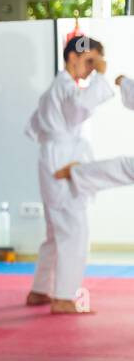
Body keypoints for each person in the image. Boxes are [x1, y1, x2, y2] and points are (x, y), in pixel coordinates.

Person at [25, 34, 115, 313]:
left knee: (56, 231)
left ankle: (40, 290)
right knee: (73, 229)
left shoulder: (55, 88)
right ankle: (63, 296)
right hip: (62, 160)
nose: (92, 68)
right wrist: (101, 77)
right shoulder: (64, 87)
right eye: (90, 61)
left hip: (53, 156)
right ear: (73, 57)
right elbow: (81, 110)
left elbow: (33, 128)